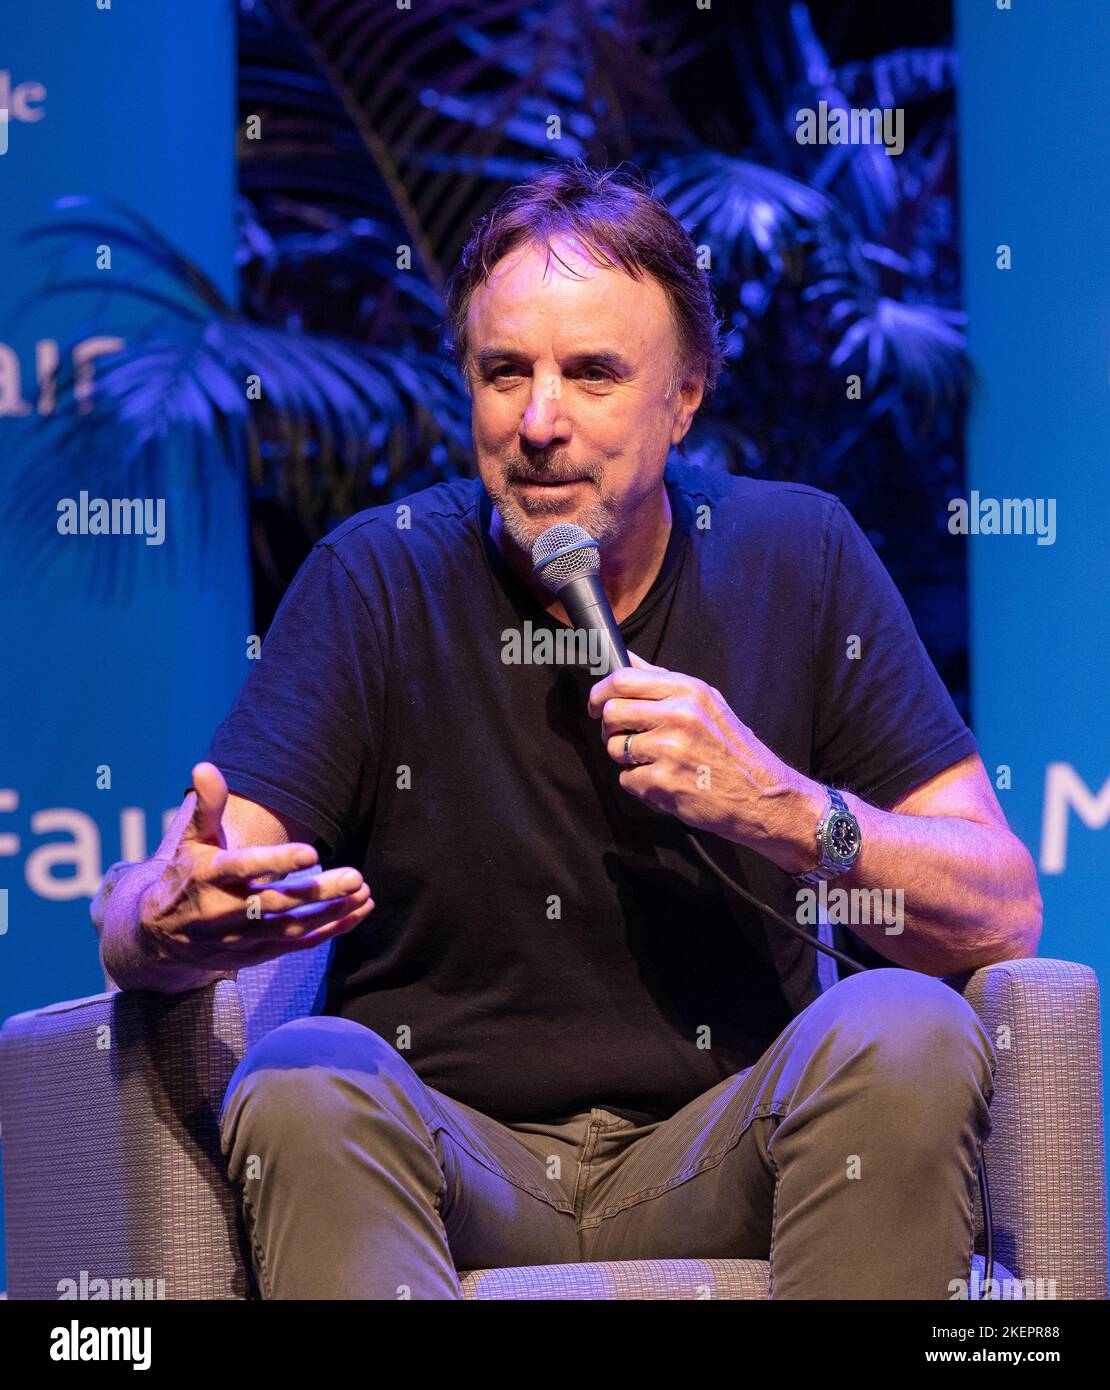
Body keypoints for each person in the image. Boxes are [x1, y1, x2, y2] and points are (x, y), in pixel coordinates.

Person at [94, 162, 1042, 1300]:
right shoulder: (375, 577)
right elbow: (149, 900)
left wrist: (787, 811)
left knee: (903, 1021)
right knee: (304, 1071)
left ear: (684, 397)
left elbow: (1002, 904)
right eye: (505, 373)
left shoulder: (804, 555)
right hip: (450, 1163)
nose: (540, 423)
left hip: (727, 1151)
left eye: (593, 374)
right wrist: (165, 918)